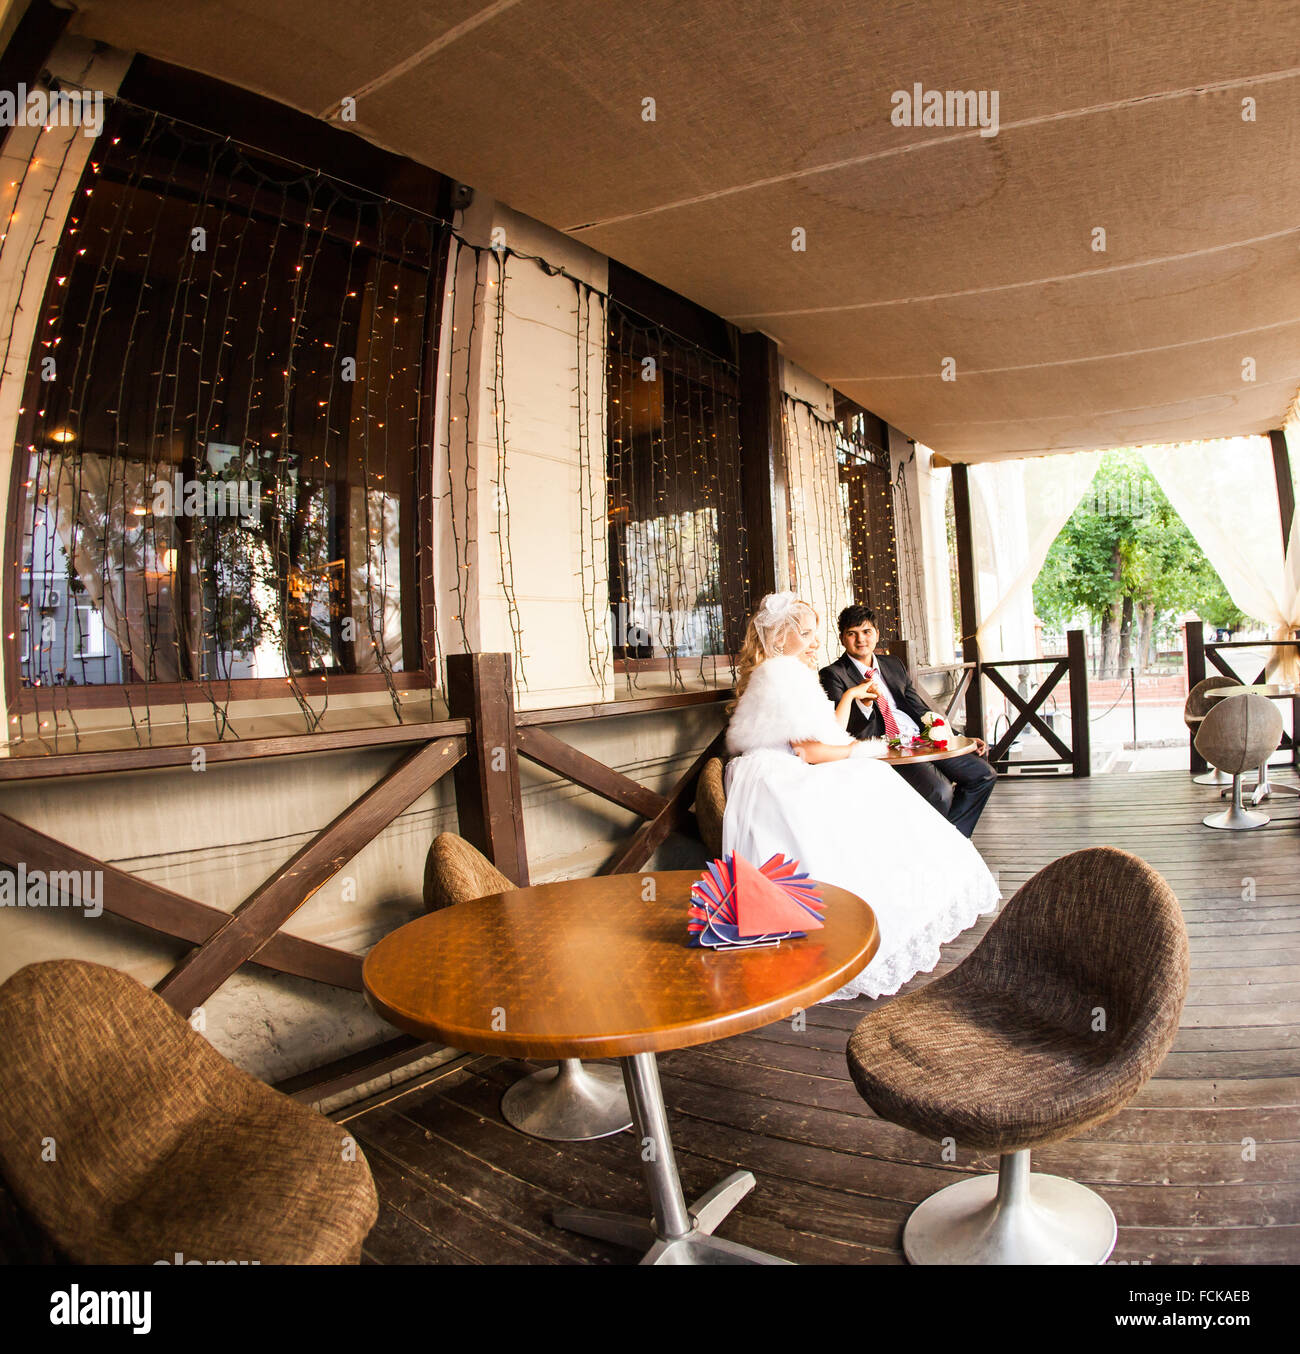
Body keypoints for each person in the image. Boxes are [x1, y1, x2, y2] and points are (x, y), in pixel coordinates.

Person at [722, 592, 1000, 1000]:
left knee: (882, 779)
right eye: (806, 633)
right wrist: (862, 750)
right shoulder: (786, 676)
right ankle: (894, 899)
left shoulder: (783, 670)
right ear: (782, 637)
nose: (816, 642)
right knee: (871, 779)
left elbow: (818, 736)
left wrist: (849, 699)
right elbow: (811, 752)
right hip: (780, 775)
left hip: (782, 763)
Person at [819, 604, 996, 839]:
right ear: (843, 638)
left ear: (876, 634)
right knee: (940, 792)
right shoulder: (833, 674)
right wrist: (865, 703)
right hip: (888, 747)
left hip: (922, 739)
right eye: (852, 634)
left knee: (982, 774)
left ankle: (952, 844)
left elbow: (919, 708)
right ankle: (947, 848)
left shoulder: (893, 664)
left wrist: (956, 737)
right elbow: (845, 728)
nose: (861, 639)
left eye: (866, 632)